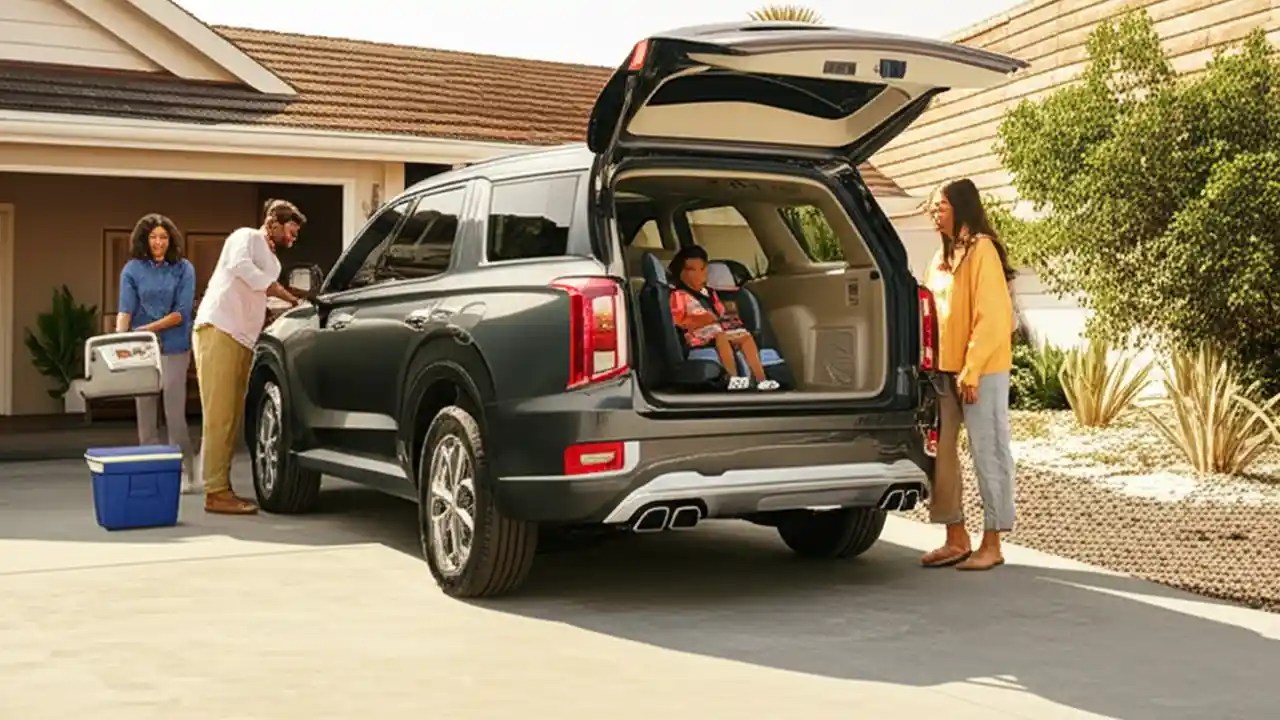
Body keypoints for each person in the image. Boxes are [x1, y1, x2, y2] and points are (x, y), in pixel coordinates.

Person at [920, 178, 1017, 571]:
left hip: (981, 372)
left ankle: (992, 542)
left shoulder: (983, 251)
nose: (933, 211)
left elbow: (994, 318)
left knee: (988, 450)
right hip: (943, 372)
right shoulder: (940, 258)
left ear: (960, 206)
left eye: (940, 205)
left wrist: (972, 370)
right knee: (942, 454)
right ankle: (955, 536)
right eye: (932, 205)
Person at [193, 199, 305, 515]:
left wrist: (288, 306)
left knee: (231, 416)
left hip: (242, 338)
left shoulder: (273, 261)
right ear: (273, 222)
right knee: (220, 415)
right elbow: (241, 269)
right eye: (291, 230)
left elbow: (258, 296)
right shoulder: (245, 237)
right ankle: (215, 492)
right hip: (219, 329)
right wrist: (283, 293)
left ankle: (220, 488)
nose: (293, 238)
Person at [115, 213, 199, 493]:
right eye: (153, 237)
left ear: (171, 240)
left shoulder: (184, 268)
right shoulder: (132, 270)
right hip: (142, 349)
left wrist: (146, 329)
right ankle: (151, 468)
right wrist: (120, 340)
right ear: (144, 240)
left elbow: (181, 313)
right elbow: (125, 310)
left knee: (173, 412)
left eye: (163, 237)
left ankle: (186, 470)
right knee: (145, 413)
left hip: (174, 345)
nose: (158, 242)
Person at [667, 245, 779, 391]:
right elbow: (677, 320)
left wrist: (726, 316)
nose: (699, 274)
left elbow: (720, 313)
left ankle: (761, 379)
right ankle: (732, 377)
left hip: (717, 330)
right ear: (680, 273)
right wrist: (702, 320)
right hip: (695, 336)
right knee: (721, 336)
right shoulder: (678, 295)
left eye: (702, 269)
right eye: (691, 270)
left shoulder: (710, 293)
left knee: (745, 336)